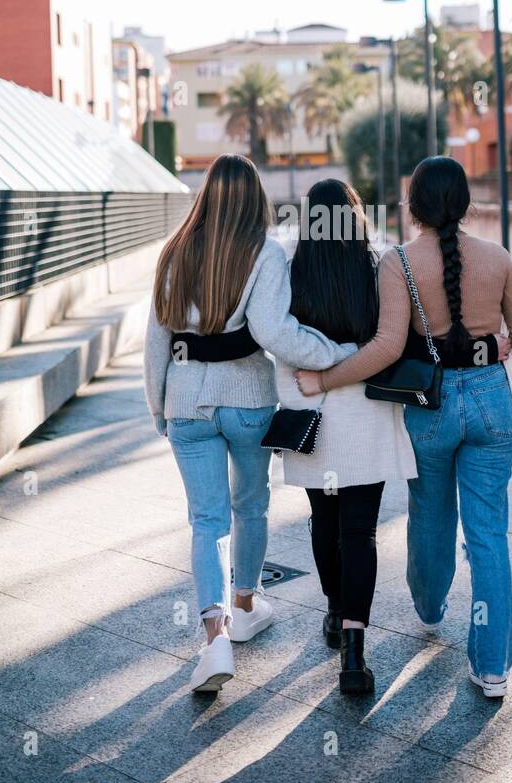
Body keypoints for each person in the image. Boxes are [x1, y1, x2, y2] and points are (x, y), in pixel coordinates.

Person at [297, 157, 512, 699]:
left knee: (430, 516)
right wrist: (487, 342)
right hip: (494, 406)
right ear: (466, 203)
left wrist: (327, 379)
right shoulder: (497, 258)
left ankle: (430, 607)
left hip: (430, 407)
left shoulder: (398, 263)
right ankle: (493, 667)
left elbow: (386, 347)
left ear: (414, 207)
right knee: (489, 535)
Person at [144, 154, 354, 694]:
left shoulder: (173, 253)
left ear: (207, 193)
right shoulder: (265, 252)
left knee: (206, 521)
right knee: (250, 503)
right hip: (248, 402)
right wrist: (337, 353)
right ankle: (245, 602)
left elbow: (156, 344)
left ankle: (213, 635)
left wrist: (159, 408)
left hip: (186, 404)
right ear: (254, 197)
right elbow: (274, 332)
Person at [276, 180, 416, 694]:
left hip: (311, 414)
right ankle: (354, 656)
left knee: (323, 520)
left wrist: (321, 361)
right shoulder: (377, 265)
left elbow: (280, 337)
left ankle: (335, 612)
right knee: (360, 531)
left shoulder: (293, 266)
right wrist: (350, 355)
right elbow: (387, 344)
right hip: (367, 417)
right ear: (355, 216)